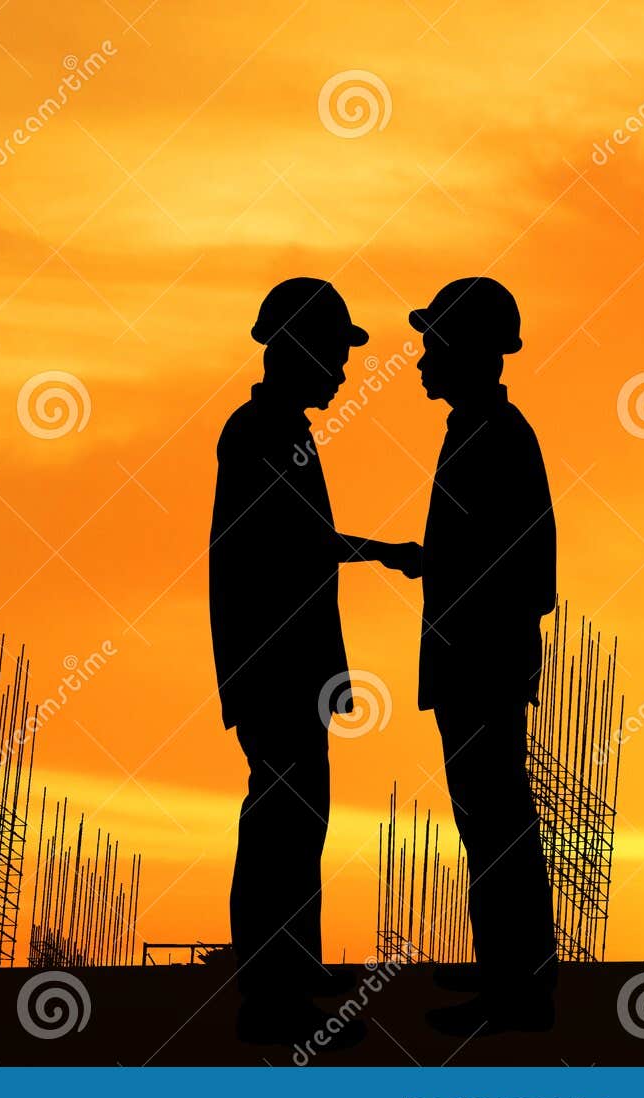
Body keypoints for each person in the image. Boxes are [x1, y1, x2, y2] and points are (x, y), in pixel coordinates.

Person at [209, 278, 418, 1047]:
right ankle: (270, 994)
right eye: (333, 353)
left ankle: (293, 963)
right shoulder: (259, 431)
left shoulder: (279, 430)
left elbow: (303, 558)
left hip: (290, 663)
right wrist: (388, 552)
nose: (342, 369)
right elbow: (296, 546)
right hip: (271, 666)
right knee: (280, 825)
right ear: (297, 348)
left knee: (298, 821)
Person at [400, 277, 558, 1035]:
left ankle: (517, 989)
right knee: (490, 822)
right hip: (476, 659)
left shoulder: (496, 435)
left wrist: (472, 628)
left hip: (482, 662)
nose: (422, 358)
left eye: (433, 344)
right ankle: (510, 972)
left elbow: (522, 569)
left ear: (465, 349)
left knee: (496, 824)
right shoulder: (479, 428)